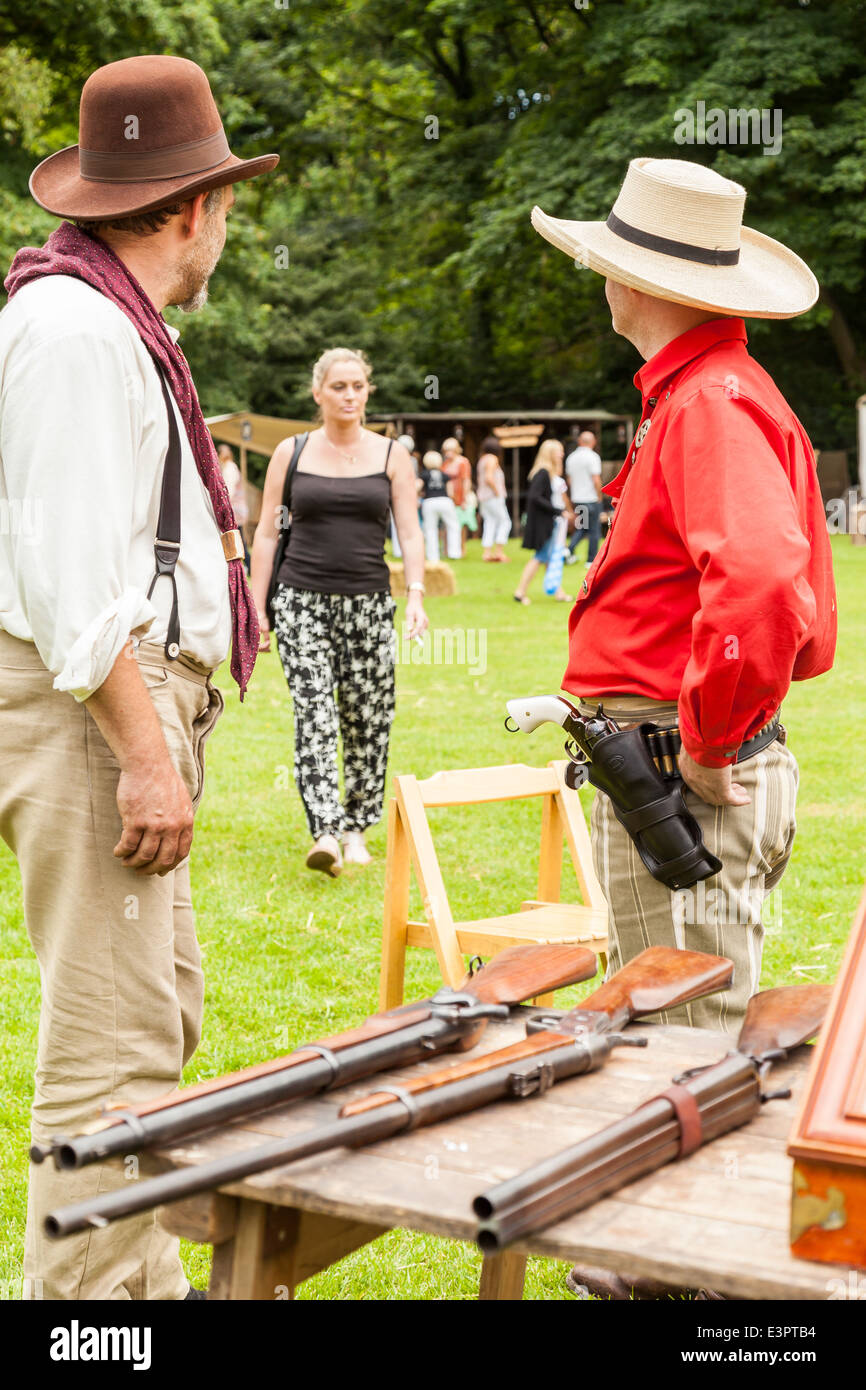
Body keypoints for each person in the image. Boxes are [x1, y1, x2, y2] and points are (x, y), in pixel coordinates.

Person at [532, 154, 837, 1306]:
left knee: (686, 1043)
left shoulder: (704, 401)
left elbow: (759, 585)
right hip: (661, 756)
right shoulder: (704, 389)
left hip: (675, 762)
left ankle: (682, 1283)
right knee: (681, 1021)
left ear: (633, 280)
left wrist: (706, 735)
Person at [0, 54, 278, 1300]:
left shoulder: (105, 314)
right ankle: (92, 1319)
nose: (227, 220)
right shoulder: (68, 327)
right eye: (225, 199)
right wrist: (148, 754)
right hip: (92, 710)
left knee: (157, 1009)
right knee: (110, 1048)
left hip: (119, 703)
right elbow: (68, 575)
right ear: (195, 205)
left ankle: (141, 1291)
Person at [250, 349, 427, 877]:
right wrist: (257, 607)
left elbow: (411, 531)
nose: (349, 396)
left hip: (369, 604)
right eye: (339, 387)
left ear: (367, 392)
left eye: (357, 386)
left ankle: (356, 827)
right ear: (318, 393)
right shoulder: (292, 452)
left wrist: (415, 592)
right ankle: (325, 828)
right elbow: (266, 532)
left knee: (367, 718)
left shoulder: (392, 455)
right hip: (300, 600)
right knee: (315, 716)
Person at [512, 439, 573, 604]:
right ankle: (520, 591)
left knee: (548, 557)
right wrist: (559, 511)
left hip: (549, 521)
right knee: (541, 556)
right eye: (559, 451)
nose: (562, 454)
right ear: (551, 453)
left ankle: (558, 592)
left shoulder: (547, 473)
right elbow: (535, 497)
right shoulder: (543, 473)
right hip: (546, 522)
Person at [565, 430, 603, 566]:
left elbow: (569, 481)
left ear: (579, 442)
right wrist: (599, 496)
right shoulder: (593, 457)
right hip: (591, 499)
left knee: (582, 527)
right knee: (594, 530)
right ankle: (590, 559)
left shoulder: (571, 458)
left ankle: (569, 550)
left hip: (577, 498)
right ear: (593, 442)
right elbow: (596, 479)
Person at [419, 449, 462, 563]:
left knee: (430, 529)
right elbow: (451, 492)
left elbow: (417, 486)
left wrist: (418, 496)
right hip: (445, 501)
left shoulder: (424, 474)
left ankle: (433, 557)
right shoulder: (445, 475)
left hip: (429, 502)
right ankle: (455, 553)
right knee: (453, 526)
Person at [476, 435, 511, 561]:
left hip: (483, 497)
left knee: (490, 522)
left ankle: (486, 553)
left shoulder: (482, 460)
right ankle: (499, 552)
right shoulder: (492, 459)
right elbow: (489, 478)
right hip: (493, 497)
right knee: (505, 522)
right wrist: (497, 492)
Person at [217, 443, 250, 567]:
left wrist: (221, 506)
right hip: (236, 510)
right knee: (240, 542)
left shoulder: (230, 468)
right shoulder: (229, 467)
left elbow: (229, 491)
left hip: (235, 511)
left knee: (238, 542)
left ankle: (248, 566)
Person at [441, 436, 475, 555]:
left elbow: (466, 480)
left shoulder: (462, 462)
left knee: (461, 524)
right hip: (447, 498)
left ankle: (461, 549)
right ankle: (446, 550)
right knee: (446, 524)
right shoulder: (445, 464)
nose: (448, 453)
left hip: (460, 497)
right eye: (446, 450)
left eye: (450, 450)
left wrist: (465, 497)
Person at [390, 433, 418, 559]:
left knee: (401, 522)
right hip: (401, 493)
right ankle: (401, 550)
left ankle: (399, 550)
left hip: (401, 493)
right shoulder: (412, 461)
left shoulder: (394, 459)